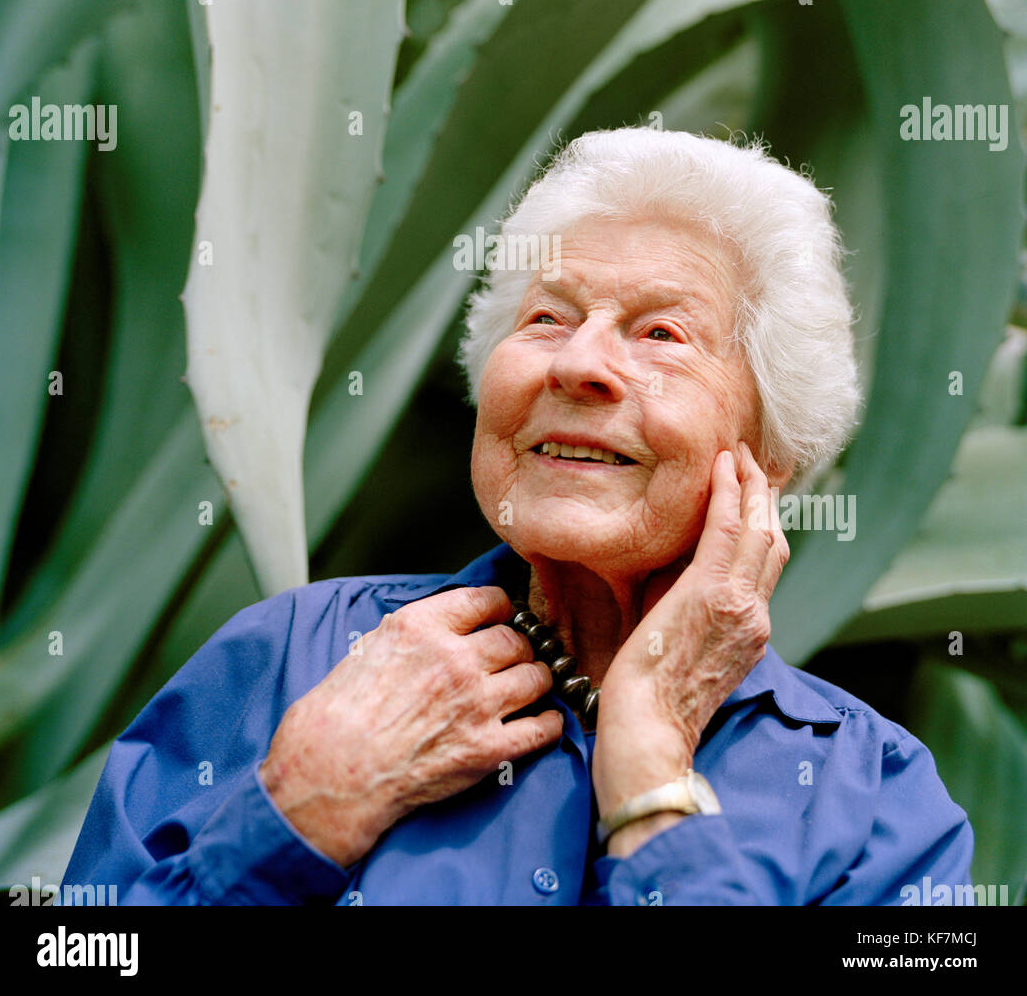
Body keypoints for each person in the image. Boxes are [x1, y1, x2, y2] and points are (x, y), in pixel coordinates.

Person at [61, 127, 973, 905]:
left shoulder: (879, 800)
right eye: (546, 317)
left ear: (769, 455)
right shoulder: (293, 656)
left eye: (661, 334)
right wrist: (300, 811)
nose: (578, 364)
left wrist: (651, 765)